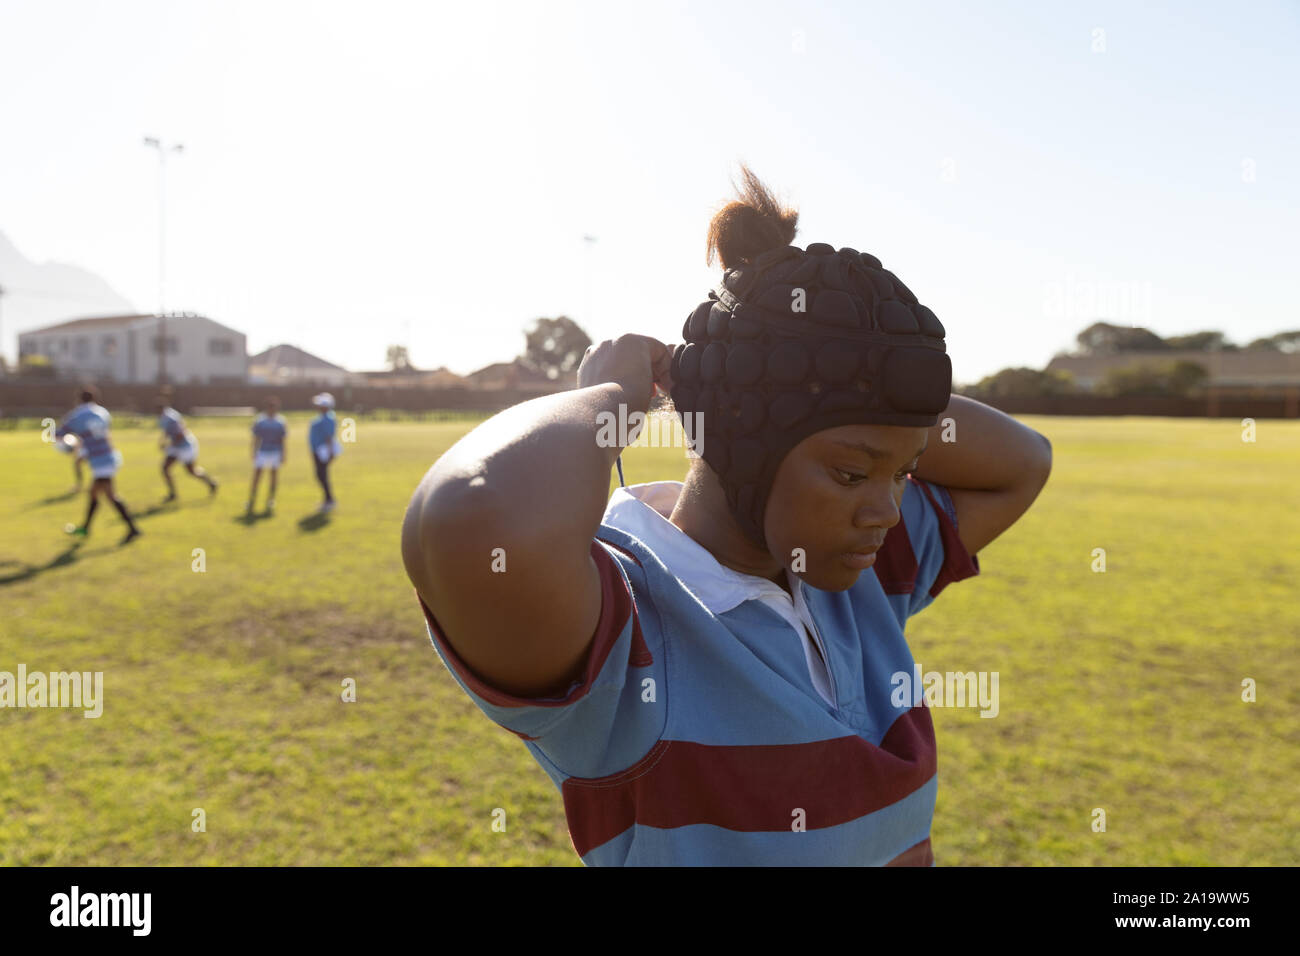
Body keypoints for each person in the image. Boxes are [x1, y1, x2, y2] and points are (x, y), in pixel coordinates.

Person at [400, 166, 1053, 866]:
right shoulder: (624, 628)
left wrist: (837, 367)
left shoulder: (859, 575)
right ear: (742, 446)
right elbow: (473, 514)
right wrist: (617, 393)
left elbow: (1024, 462)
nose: (888, 511)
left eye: (906, 471)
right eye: (853, 472)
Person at [56, 385, 142, 543]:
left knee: (110, 496)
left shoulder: (76, 415)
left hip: (100, 460)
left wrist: (70, 444)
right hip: (109, 456)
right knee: (94, 493)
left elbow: (59, 433)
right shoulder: (103, 412)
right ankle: (86, 528)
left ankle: (133, 529)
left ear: (79, 399)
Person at [156, 398, 218, 500]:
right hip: (176, 446)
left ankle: (211, 483)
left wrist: (168, 445)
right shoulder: (164, 418)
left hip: (185, 446)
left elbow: (181, 433)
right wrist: (162, 441)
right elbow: (167, 431)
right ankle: (172, 494)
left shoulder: (172, 418)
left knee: (191, 471)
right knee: (165, 468)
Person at [248, 397, 288, 515]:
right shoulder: (260, 420)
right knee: (257, 474)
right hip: (262, 451)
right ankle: (252, 497)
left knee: (274, 475)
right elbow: (256, 438)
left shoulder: (280, 421)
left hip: (275, 451)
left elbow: (282, 439)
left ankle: (271, 499)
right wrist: (254, 451)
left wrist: (283, 453)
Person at [308, 392, 342, 513]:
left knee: (322, 475)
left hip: (323, 451)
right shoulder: (324, 417)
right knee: (321, 475)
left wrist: (330, 452)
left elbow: (329, 437)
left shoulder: (328, 418)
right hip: (318, 450)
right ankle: (327, 499)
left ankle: (329, 500)